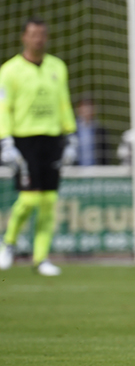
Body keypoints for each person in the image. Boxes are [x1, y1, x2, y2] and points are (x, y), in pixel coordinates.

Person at [0, 17, 77, 276]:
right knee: (29, 199)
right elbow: (3, 108)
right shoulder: (10, 71)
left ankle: (40, 258)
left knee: (48, 201)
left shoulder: (57, 66)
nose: (38, 39)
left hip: (52, 139)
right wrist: (5, 140)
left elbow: (64, 102)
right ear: (24, 37)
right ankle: (8, 243)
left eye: (42, 34)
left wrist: (71, 136)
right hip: (24, 140)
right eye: (33, 34)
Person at [74, 96, 112, 166]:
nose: (87, 110)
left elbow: (105, 154)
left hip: (96, 171)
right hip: (76, 171)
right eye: (85, 106)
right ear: (79, 109)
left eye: (90, 106)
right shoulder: (72, 129)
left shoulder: (100, 130)